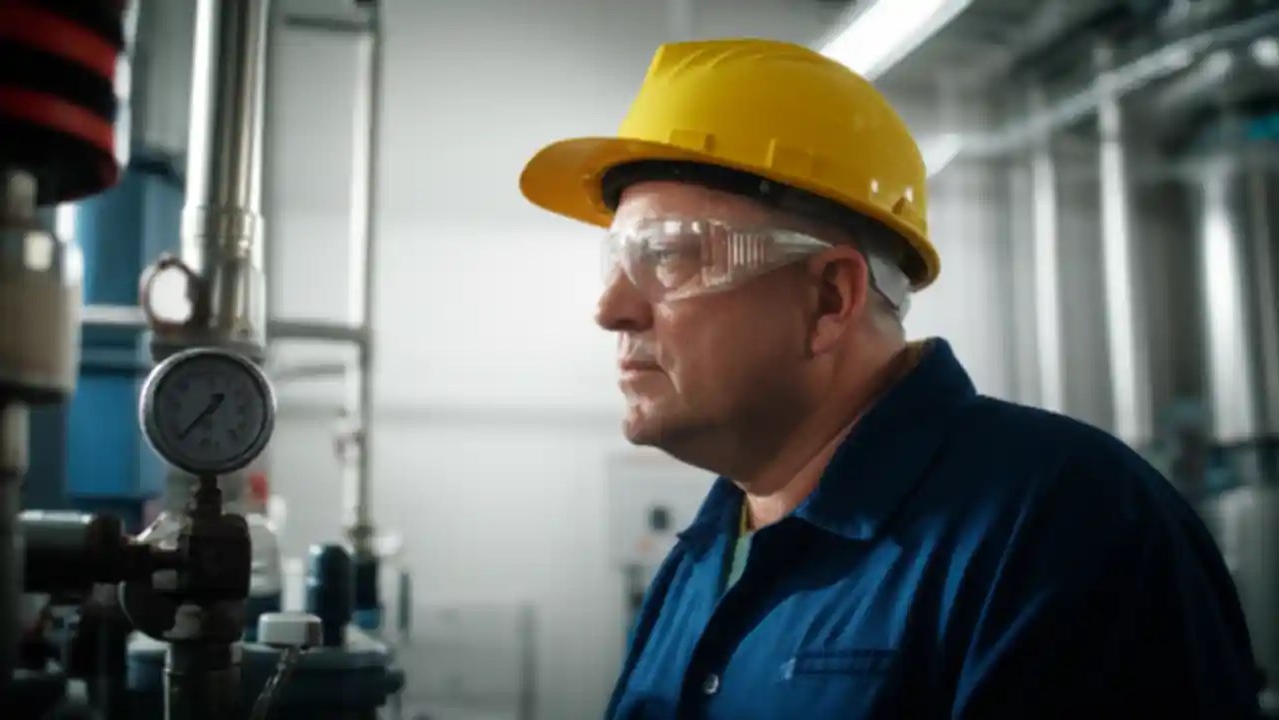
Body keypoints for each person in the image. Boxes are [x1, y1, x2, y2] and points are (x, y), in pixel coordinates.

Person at [519, 38, 1260, 719]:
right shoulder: (702, 559)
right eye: (616, 262)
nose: (611, 309)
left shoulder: (1062, 529)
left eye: (669, 257)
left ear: (830, 298)